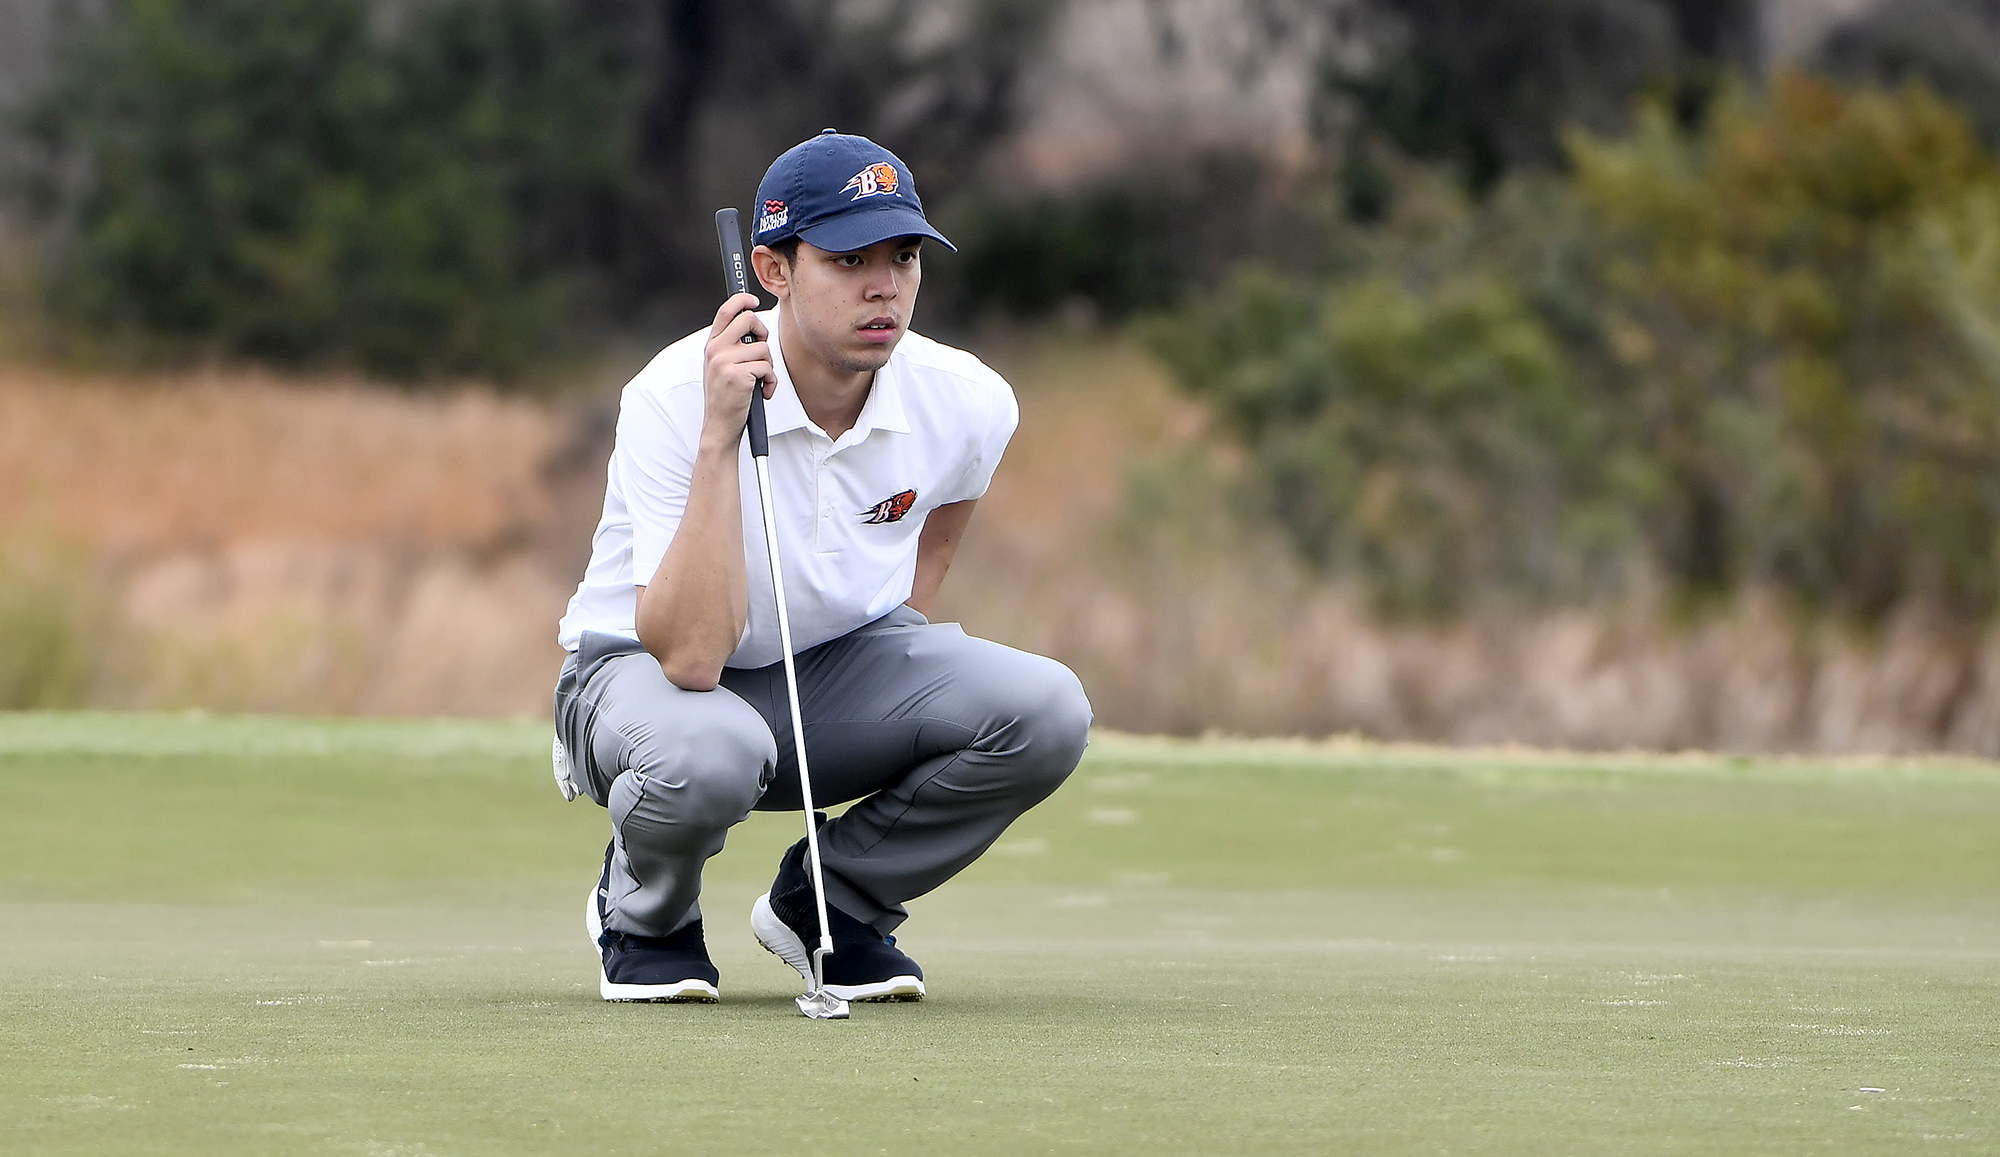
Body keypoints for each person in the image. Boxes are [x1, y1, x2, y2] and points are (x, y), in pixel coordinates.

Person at [550, 130, 1093, 1004]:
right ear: (773, 271)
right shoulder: (673, 394)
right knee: (713, 749)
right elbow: (689, 656)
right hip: (644, 682)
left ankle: (830, 905)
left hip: (824, 674)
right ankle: (644, 913)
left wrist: (882, 695)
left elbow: (927, 553)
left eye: (905, 257)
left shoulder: (970, 399)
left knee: (1047, 709)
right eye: (849, 259)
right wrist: (721, 434)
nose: (886, 286)